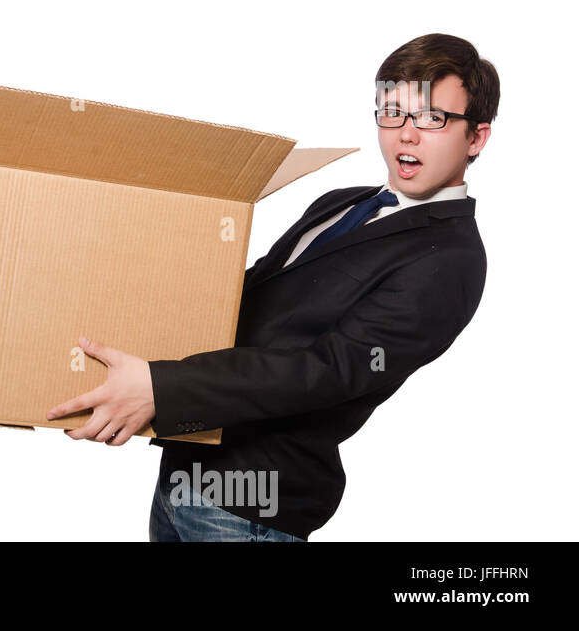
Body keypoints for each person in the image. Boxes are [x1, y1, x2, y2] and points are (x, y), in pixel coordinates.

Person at [46, 33, 497, 541]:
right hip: (187, 472)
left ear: (476, 137)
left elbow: (328, 371)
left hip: (252, 509)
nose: (405, 134)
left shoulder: (451, 258)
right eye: (391, 111)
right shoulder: (342, 200)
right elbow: (246, 296)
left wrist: (162, 387)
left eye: (432, 118)